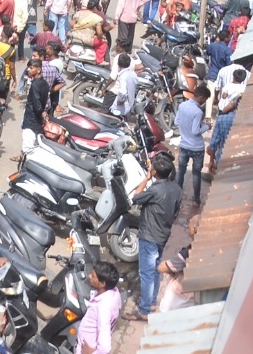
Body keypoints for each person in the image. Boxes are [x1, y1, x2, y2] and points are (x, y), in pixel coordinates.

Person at [126, 153, 181, 321]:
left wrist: (146, 179)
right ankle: (151, 303)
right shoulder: (176, 189)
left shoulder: (155, 190)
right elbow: (176, 211)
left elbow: (135, 197)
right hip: (163, 234)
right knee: (156, 270)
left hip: (149, 235)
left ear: (154, 171)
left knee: (147, 273)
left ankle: (144, 310)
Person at [175, 84, 210, 206]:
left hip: (184, 145)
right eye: (204, 100)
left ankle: (177, 195)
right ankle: (196, 198)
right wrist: (206, 126)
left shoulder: (182, 105)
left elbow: (176, 121)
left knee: (181, 171)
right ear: (201, 97)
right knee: (196, 173)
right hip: (196, 147)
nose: (203, 102)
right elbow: (196, 131)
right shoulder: (197, 112)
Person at [76, 262, 121, 354]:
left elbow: (105, 348)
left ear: (102, 284)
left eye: (93, 276)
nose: (89, 276)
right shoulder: (114, 292)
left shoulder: (103, 308)